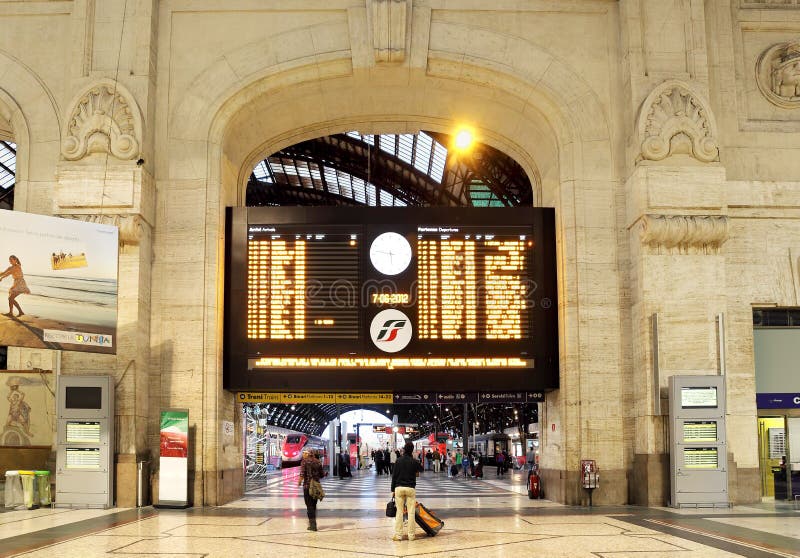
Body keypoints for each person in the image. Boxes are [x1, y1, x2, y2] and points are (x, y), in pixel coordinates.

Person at [390, 441, 423, 541]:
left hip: (399, 488)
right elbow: (421, 469)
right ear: (412, 450)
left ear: (404, 449)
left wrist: (392, 489)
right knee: (411, 513)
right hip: (410, 489)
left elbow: (394, 476)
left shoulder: (398, 460)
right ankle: (411, 535)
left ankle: (398, 535)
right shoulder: (413, 461)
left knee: (399, 512)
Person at [298, 449, 325, 531]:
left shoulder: (304, 461)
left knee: (309, 506)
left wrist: (299, 482)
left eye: (304, 453)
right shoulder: (318, 462)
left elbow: (302, 474)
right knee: (313, 505)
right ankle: (313, 523)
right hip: (316, 486)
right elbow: (322, 475)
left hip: (307, 486)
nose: (303, 455)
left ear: (307, 454)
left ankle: (313, 525)